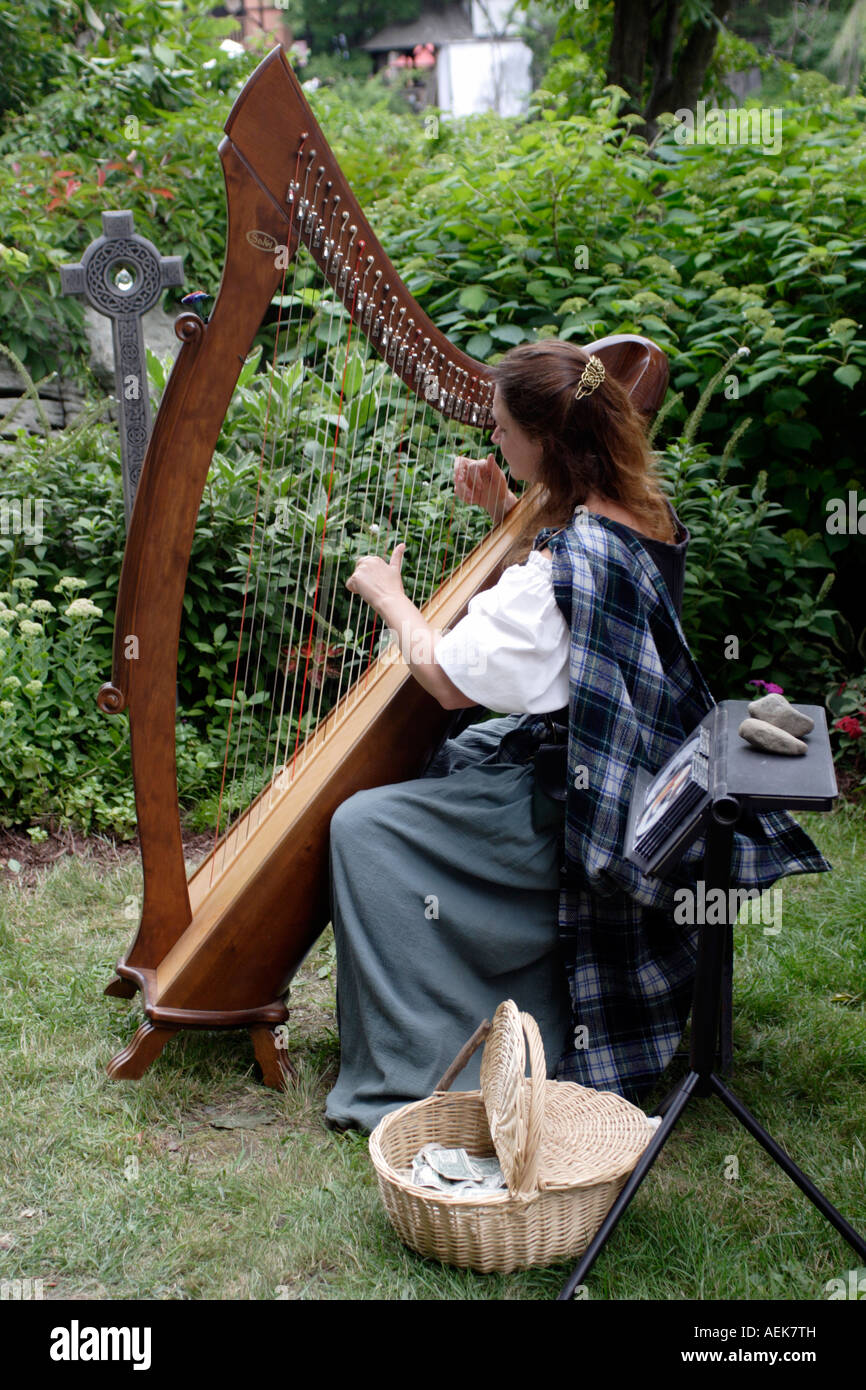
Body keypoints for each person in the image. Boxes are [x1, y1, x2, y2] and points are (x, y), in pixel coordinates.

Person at [323, 341, 829, 1134]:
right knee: (453, 759)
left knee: (362, 826)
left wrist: (391, 599)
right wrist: (506, 513)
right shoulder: (637, 512)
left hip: (582, 814)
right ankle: (506, 1004)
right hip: (634, 771)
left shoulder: (566, 560)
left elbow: (453, 679)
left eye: (500, 428)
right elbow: (572, 618)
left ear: (546, 443)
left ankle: (416, 1065)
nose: (493, 440)